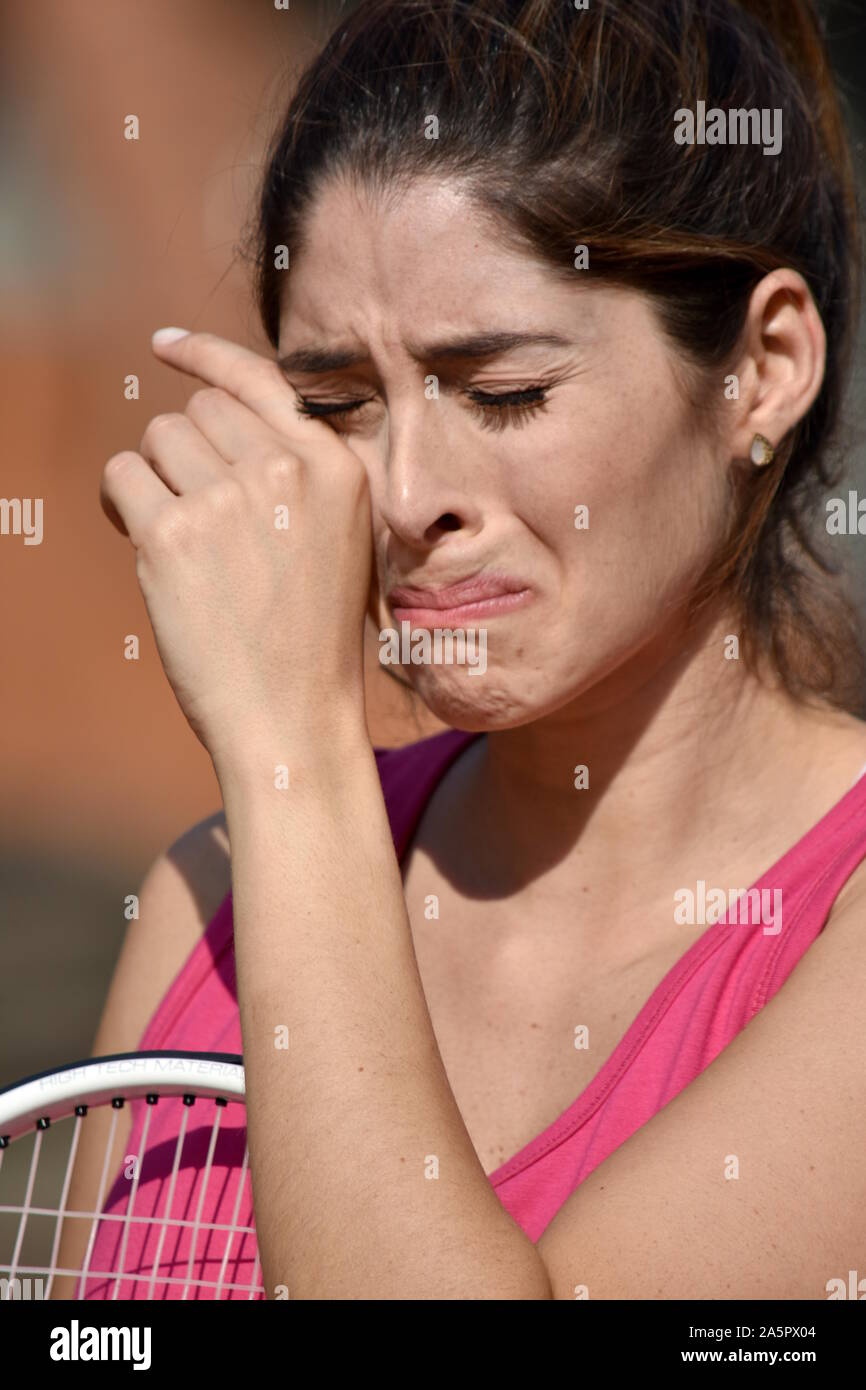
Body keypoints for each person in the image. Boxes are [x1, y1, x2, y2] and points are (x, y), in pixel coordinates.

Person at [67, 0, 866, 1298]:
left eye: (502, 392)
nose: (399, 494)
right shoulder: (209, 896)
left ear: (762, 370)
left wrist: (288, 755)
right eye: (334, 404)